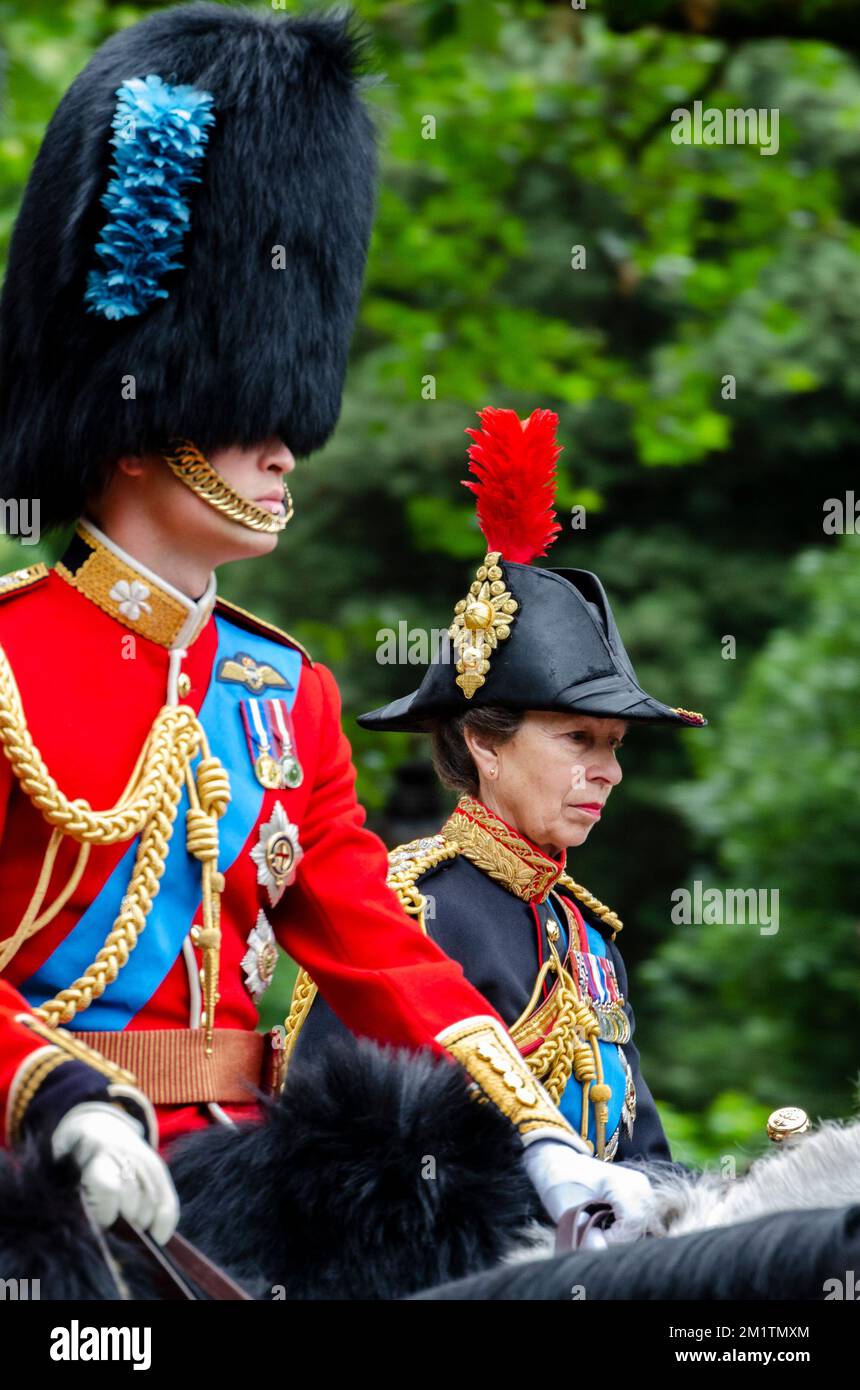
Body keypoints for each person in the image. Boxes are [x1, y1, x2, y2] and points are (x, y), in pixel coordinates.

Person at [0, 5, 605, 1253]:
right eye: (244, 414)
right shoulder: (11, 656)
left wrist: (536, 1130)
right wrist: (54, 1096)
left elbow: (377, 947)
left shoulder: (285, 689)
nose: (285, 448)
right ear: (139, 419)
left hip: (243, 1192)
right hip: (40, 1180)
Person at [289, 405, 707, 1181]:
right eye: (578, 739)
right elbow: (329, 1161)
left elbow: (646, 1162)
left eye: (614, 747)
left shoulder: (587, 935)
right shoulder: (403, 909)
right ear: (483, 742)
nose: (609, 770)